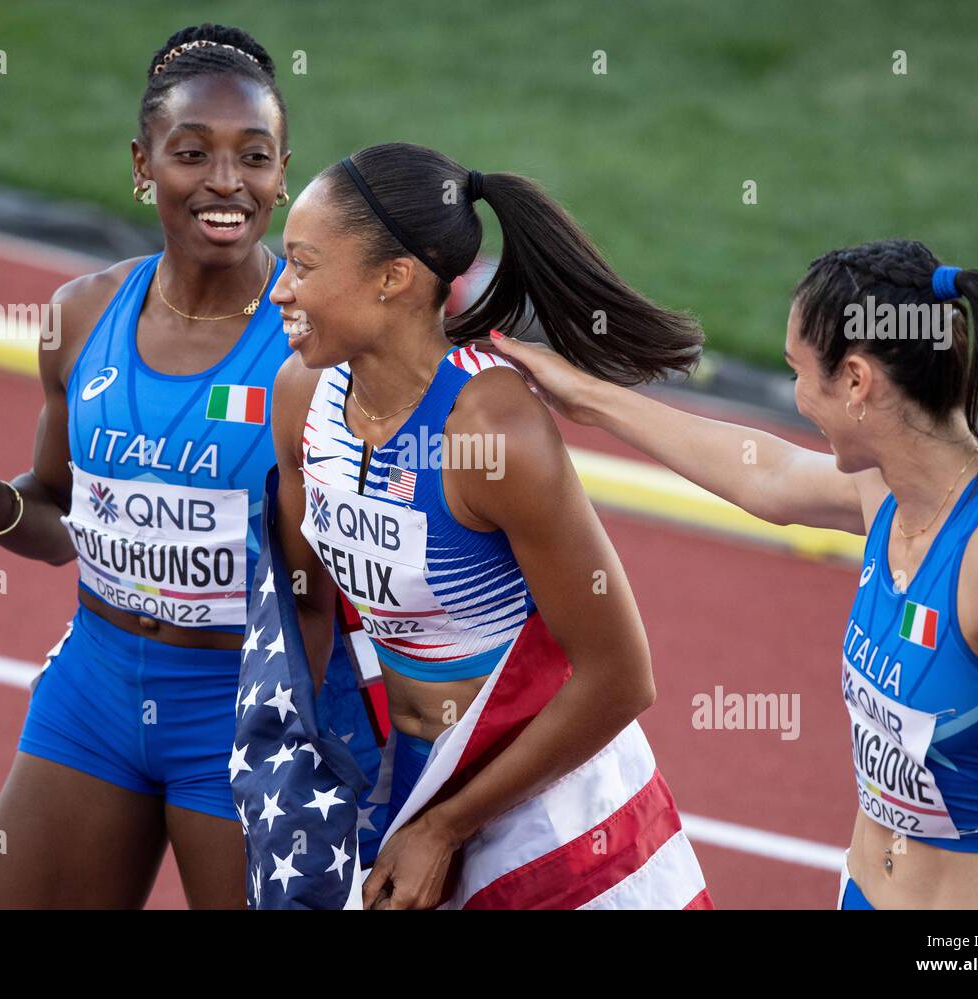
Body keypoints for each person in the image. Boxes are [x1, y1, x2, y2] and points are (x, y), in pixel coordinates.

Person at [485, 238, 978, 909]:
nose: (797, 396)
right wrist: (587, 397)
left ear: (858, 381)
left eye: (799, 373)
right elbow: (765, 472)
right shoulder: (888, 494)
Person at [0, 24, 293, 908]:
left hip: (245, 717)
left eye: (254, 156)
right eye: (192, 153)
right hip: (97, 691)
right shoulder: (81, 314)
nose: (226, 181)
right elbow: (61, 515)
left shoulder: (313, 344)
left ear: (283, 173)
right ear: (142, 166)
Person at [266, 143, 712, 909]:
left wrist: (444, 827)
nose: (279, 291)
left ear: (393, 278)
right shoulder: (301, 396)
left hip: (536, 801)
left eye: (303, 266)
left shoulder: (495, 432)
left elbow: (620, 676)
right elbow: (309, 601)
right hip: (398, 776)